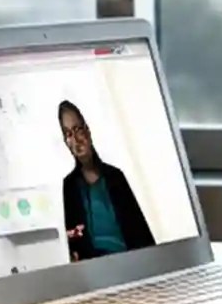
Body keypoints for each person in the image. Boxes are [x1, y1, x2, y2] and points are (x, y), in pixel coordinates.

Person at [59, 100, 156, 261]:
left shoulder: (115, 177)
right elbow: (72, 236)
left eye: (77, 130)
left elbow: (140, 230)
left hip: (127, 260)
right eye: (68, 134)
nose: (75, 140)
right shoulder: (69, 186)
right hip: (93, 267)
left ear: (87, 131)